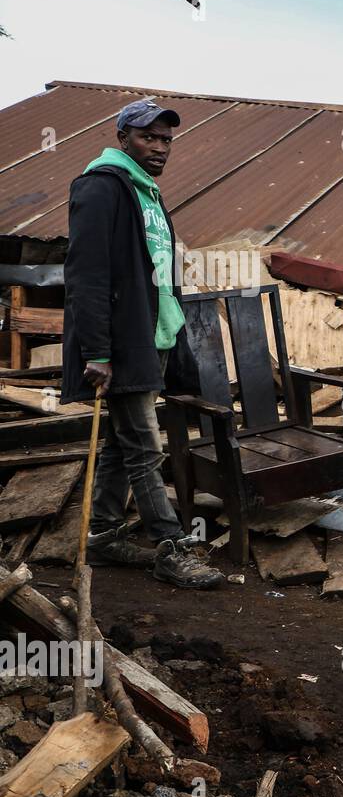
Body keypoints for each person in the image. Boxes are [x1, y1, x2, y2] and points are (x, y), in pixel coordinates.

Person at [62, 100, 222, 590]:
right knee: (145, 445)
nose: (159, 148)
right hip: (122, 342)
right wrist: (96, 352)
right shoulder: (100, 187)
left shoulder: (147, 194)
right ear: (123, 137)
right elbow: (85, 275)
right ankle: (170, 547)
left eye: (166, 140)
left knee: (123, 441)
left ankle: (105, 535)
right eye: (148, 137)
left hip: (154, 338)